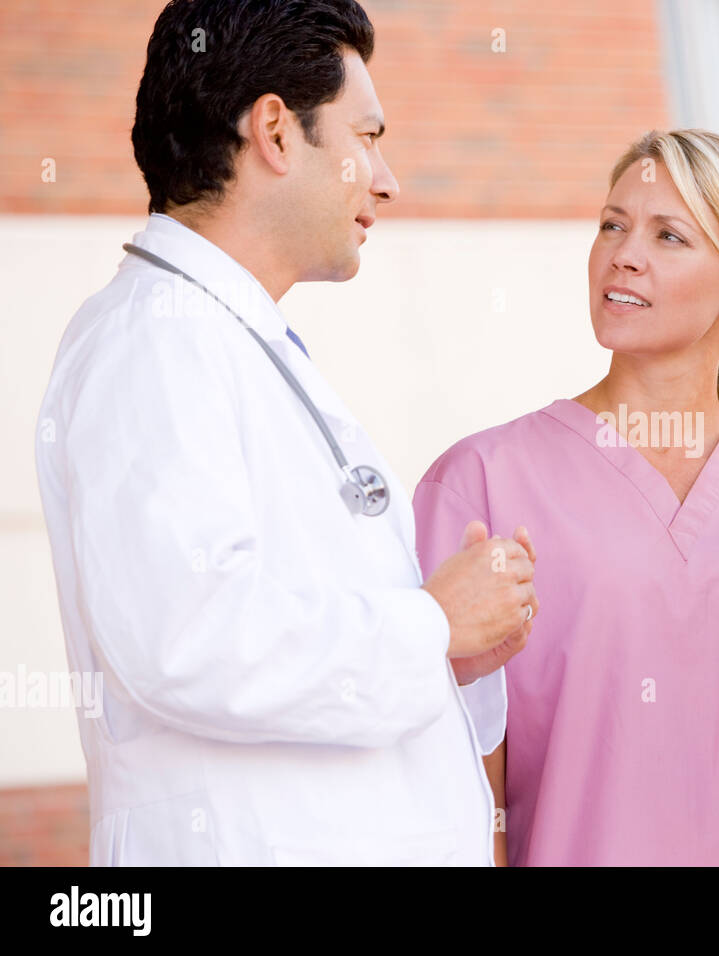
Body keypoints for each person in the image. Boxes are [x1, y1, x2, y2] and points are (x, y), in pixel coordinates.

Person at [33, 0, 536, 866]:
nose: (387, 179)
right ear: (273, 130)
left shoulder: (223, 338)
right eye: (367, 135)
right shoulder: (156, 338)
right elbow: (187, 637)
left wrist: (453, 649)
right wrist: (430, 626)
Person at [413, 129, 719, 866]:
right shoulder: (481, 481)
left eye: (668, 236)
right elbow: (453, 770)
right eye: (612, 224)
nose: (624, 254)